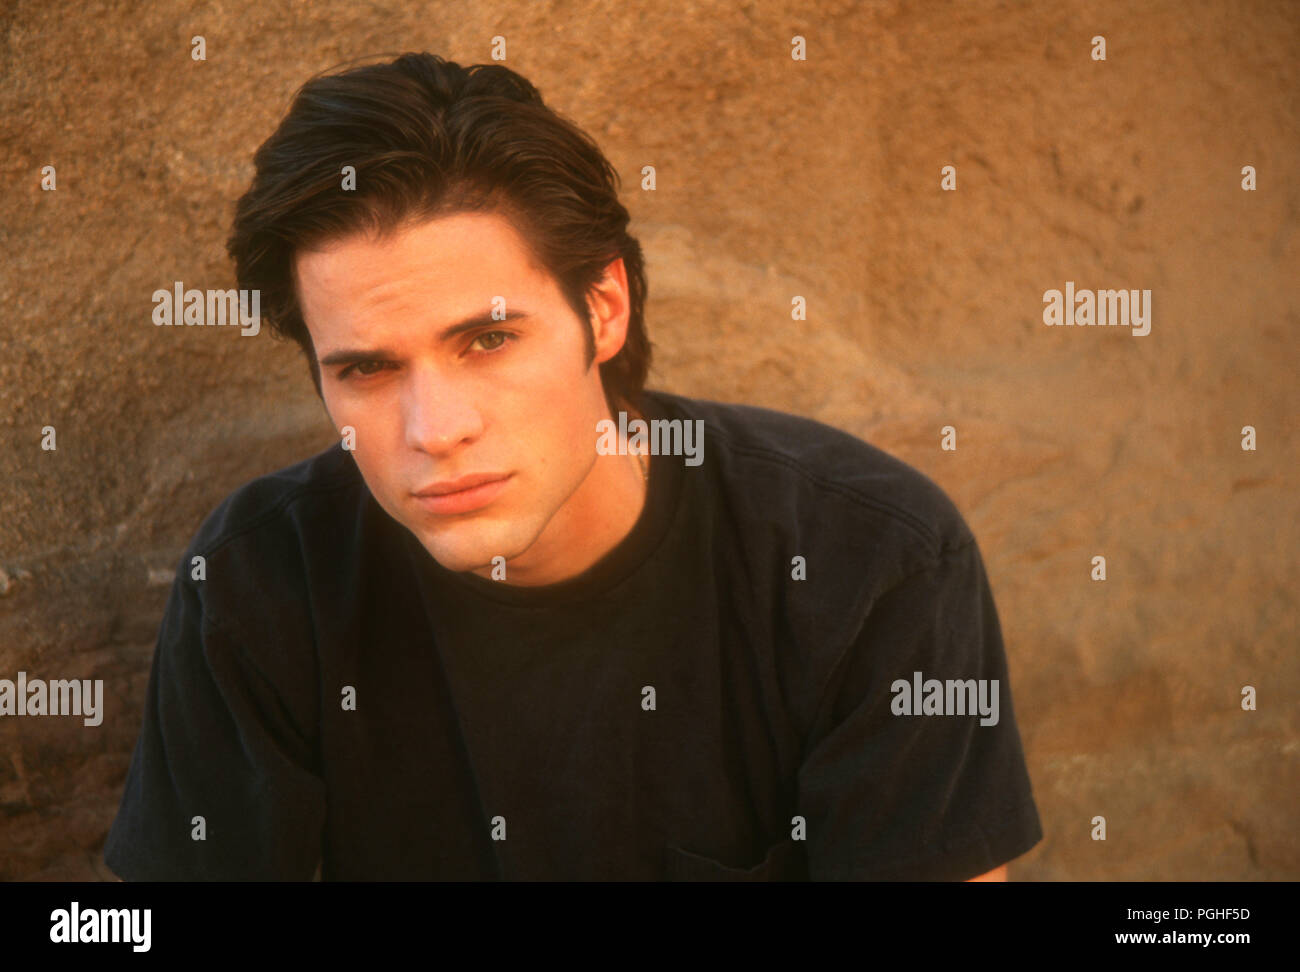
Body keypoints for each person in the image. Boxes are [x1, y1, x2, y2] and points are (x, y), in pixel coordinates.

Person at [104, 52, 1042, 881]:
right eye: (367, 369)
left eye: (489, 339)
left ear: (603, 309)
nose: (435, 429)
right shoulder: (260, 582)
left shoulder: (868, 560)